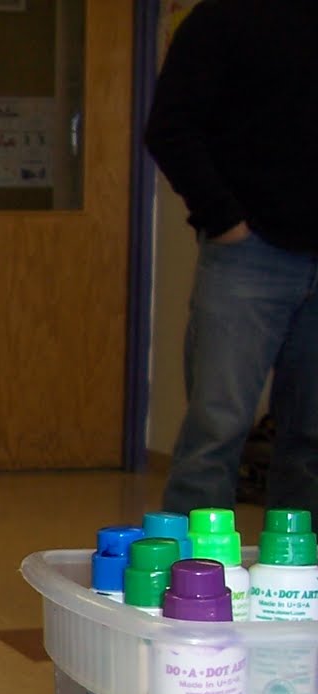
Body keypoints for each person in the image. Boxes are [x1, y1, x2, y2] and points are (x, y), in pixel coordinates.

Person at [145, 0, 318, 516]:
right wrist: (224, 220)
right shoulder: (224, 18)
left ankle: (299, 584)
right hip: (249, 256)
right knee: (215, 431)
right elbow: (170, 128)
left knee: (311, 440)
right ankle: (195, 584)